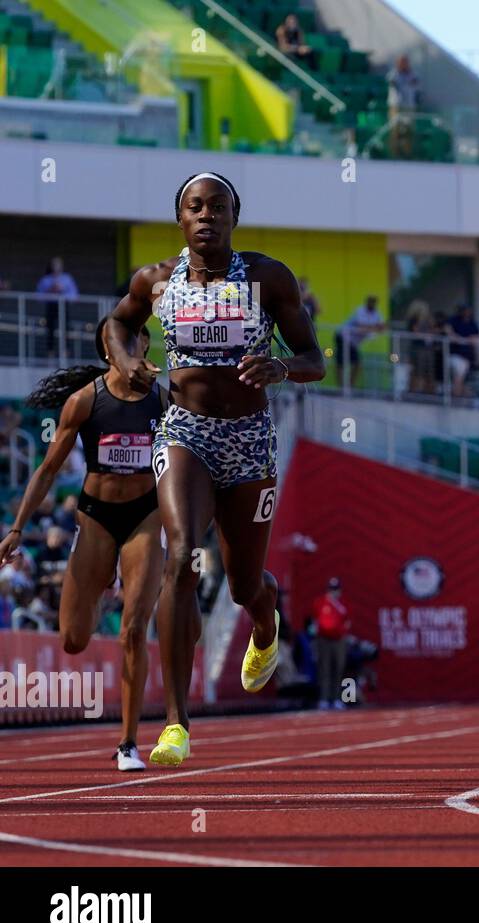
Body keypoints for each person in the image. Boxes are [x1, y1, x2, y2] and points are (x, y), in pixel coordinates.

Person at [104, 170, 325, 766]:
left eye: (218, 208)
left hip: (249, 440)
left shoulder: (266, 276)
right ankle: (176, 722)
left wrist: (281, 367)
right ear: (181, 220)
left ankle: (265, 621)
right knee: (179, 558)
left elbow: (314, 358)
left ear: (234, 217)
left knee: (244, 583)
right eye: (195, 208)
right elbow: (117, 323)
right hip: (185, 434)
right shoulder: (156, 281)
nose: (207, 216)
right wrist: (127, 363)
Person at [2, 320, 163, 771]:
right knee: (73, 639)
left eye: (140, 337)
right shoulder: (85, 400)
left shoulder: (163, 399)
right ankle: (104, 581)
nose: (135, 346)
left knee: (133, 628)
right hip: (95, 518)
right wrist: (17, 528)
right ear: (110, 351)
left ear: (147, 343)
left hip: (145, 517)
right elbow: (49, 470)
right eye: (124, 340)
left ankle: (129, 743)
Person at [310, 577, 350, 710]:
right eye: (332, 589)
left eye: (336, 589)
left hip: (339, 640)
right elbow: (315, 620)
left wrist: (343, 632)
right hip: (324, 639)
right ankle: (324, 698)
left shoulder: (342, 603)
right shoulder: (320, 602)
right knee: (324, 669)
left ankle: (338, 698)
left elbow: (348, 620)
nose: (334, 592)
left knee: (339, 669)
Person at [336, 296, 385, 390]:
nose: (372, 304)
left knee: (358, 364)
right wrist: (375, 327)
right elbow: (362, 326)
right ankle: (341, 387)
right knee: (341, 363)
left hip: (353, 342)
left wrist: (374, 327)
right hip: (343, 337)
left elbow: (382, 327)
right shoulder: (360, 310)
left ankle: (350, 387)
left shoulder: (376, 314)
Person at [37, 257, 79, 356]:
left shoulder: (67, 278)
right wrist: (50, 290)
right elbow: (39, 295)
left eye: (58, 264)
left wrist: (62, 291)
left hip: (63, 306)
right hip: (51, 306)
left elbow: (74, 295)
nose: (56, 267)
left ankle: (66, 352)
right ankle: (50, 352)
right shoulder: (46, 279)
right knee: (50, 329)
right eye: (54, 264)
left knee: (65, 328)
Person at [386, 55, 420, 159]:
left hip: (409, 106)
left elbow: (415, 83)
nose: (404, 64)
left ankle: (407, 153)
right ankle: (394, 153)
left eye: (405, 62)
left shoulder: (413, 74)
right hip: (396, 106)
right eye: (402, 62)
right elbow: (392, 82)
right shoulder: (394, 74)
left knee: (408, 129)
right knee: (394, 129)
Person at [447, 305, 479, 398]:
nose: (467, 313)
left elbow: (476, 339)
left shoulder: (472, 323)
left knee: (465, 377)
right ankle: (456, 395)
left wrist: (477, 357)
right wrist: (461, 339)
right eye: (465, 311)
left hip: (469, 356)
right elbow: (449, 332)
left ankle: (460, 393)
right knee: (460, 370)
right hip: (456, 354)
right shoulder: (454, 320)